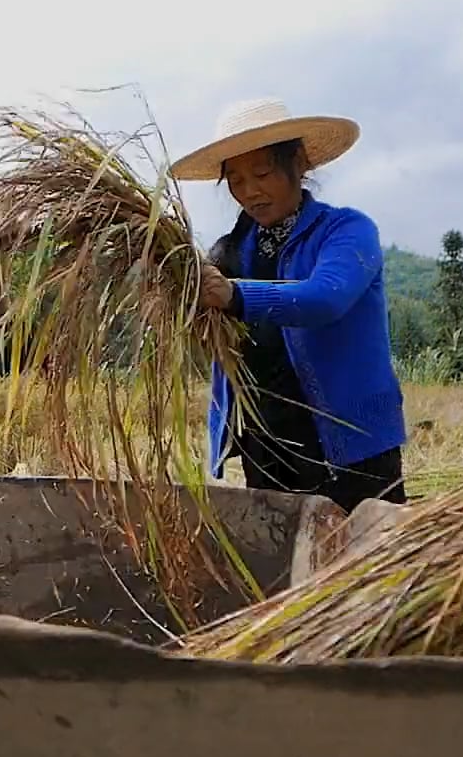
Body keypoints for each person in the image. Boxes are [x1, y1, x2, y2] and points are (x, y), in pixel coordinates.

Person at [169, 98, 409, 516]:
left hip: (350, 447)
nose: (250, 191)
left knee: (366, 563)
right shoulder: (228, 251)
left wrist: (235, 296)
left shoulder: (346, 231)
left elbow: (325, 297)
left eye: (262, 173)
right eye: (236, 180)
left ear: (298, 162)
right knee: (285, 568)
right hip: (267, 446)